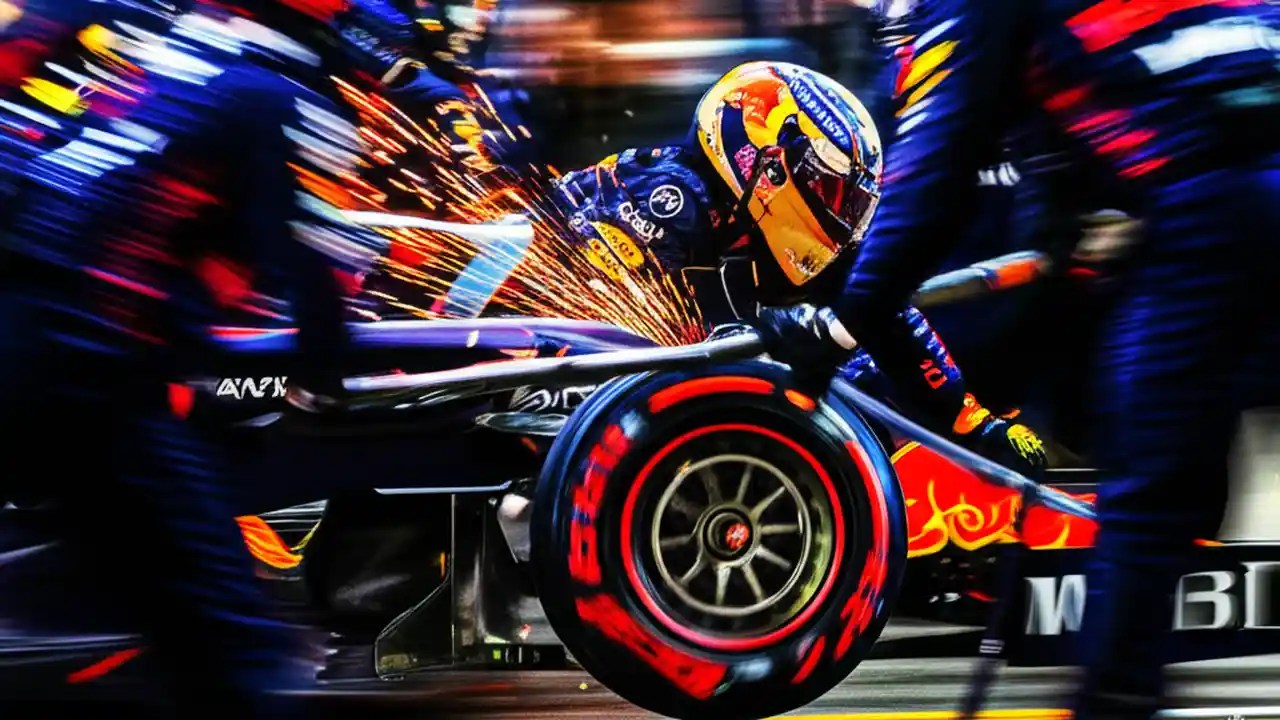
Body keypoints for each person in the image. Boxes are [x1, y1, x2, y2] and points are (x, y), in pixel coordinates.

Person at [750, 1, 1280, 716]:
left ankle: (1112, 702)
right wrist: (1069, 225)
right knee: (1172, 465)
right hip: (1236, 176)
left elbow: (931, 178)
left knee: (1143, 485)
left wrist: (842, 330)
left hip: (1211, 205)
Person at [0, 0, 386, 714]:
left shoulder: (150, 60)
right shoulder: (283, 98)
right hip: (91, 369)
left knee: (153, 609)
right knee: (236, 647)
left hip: (25, 331)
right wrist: (327, 382)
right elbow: (310, 270)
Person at [553, 60, 1048, 474]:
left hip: (633, 410)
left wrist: (978, 426)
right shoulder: (671, 197)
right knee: (814, 381)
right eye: (830, 188)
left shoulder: (775, 227)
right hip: (552, 381)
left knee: (859, 377)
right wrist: (759, 341)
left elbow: (887, 315)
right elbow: (616, 329)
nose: (840, 210)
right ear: (766, 162)